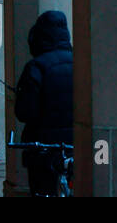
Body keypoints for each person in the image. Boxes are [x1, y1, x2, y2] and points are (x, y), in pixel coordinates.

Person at [14, 10, 73, 195]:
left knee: (42, 190)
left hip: (43, 149)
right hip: (75, 145)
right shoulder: (81, 62)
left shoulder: (36, 66)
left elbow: (25, 112)